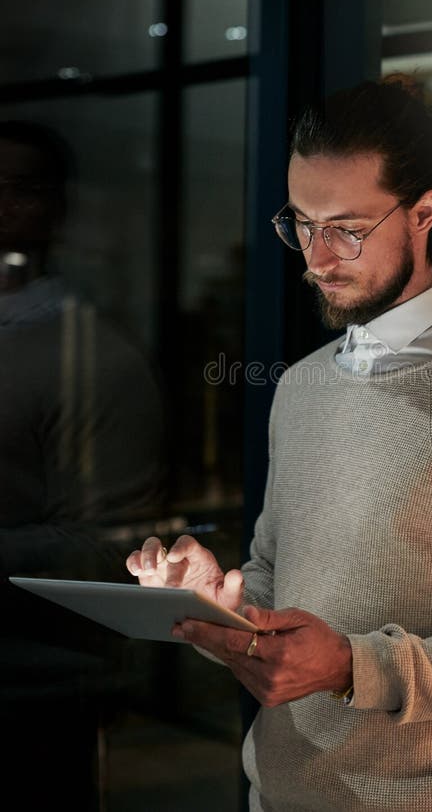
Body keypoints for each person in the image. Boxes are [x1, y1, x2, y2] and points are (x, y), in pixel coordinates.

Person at [126, 75, 432, 812]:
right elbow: (277, 580)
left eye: (347, 228)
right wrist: (220, 604)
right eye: (302, 223)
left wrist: (352, 666)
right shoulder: (302, 385)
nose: (317, 258)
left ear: (423, 213)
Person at [0, 119, 167, 810]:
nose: (2, 204)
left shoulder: (92, 357)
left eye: (21, 188)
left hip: (31, 700)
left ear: (56, 208)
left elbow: (109, 547)